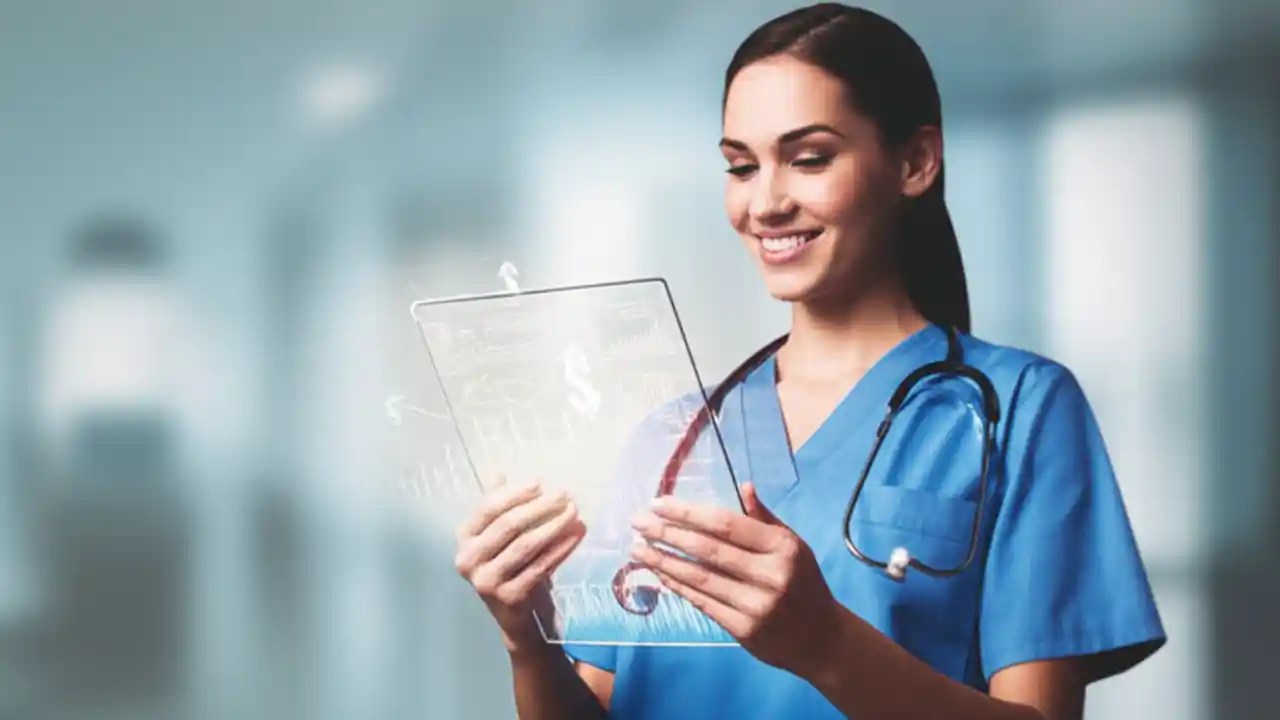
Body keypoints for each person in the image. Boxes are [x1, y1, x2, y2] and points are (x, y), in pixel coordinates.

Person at [451, 4, 1166, 718]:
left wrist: (826, 643)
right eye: (740, 165)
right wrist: (526, 638)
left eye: (810, 158)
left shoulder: (1020, 408)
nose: (765, 202)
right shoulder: (674, 441)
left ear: (914, 162)